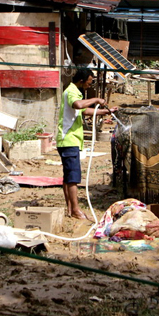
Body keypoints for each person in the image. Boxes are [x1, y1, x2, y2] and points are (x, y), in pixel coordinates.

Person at [56, 68, 118, 220]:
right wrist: (96, 100)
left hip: (69, 140)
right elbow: (78, 105)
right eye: (89, 82)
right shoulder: (72, 92)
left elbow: (84, 111)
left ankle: (70, 209)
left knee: (68, 177)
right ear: (82, 80)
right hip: (68, 139)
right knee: (73, 177)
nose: (90, 85)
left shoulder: (75, 92)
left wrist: (107, 112)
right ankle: (76, 210)